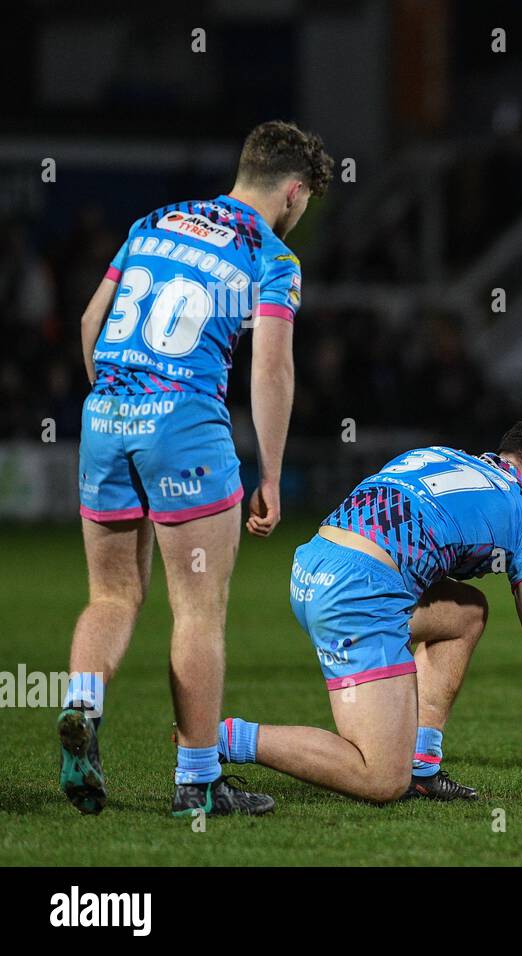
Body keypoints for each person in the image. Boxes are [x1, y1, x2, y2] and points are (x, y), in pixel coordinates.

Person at [59, 120, 332, 816]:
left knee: (111, 596)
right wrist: (270, 471)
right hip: (184, 426)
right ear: (294, 193)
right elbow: (270, 365)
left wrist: (116, 403)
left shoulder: (154, 221)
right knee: (199, 609)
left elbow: (91, 321)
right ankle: (197, 781)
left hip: (106, 418)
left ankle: (82, 705)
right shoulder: (271, 256)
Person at [212, 416, 522, 805]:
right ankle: (215, 741)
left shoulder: (437, 455)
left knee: (466, 613)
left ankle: (422, 766)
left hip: (312, 566)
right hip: (361, 594)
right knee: (379, 779)